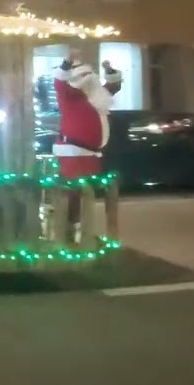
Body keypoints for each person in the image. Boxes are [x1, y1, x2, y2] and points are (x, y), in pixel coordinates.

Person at [53, 50, 121, 242]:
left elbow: (115, 84)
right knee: (73, 195)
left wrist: (109, 69)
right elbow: (59, 83)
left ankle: (84, 233)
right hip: (73, 154)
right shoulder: (70, 96)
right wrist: (67, 61)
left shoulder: (98, 96)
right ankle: (69, 234)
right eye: (84, 76)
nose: (88, 78)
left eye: (90, 75)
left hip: (91, 155)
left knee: (88, 195)